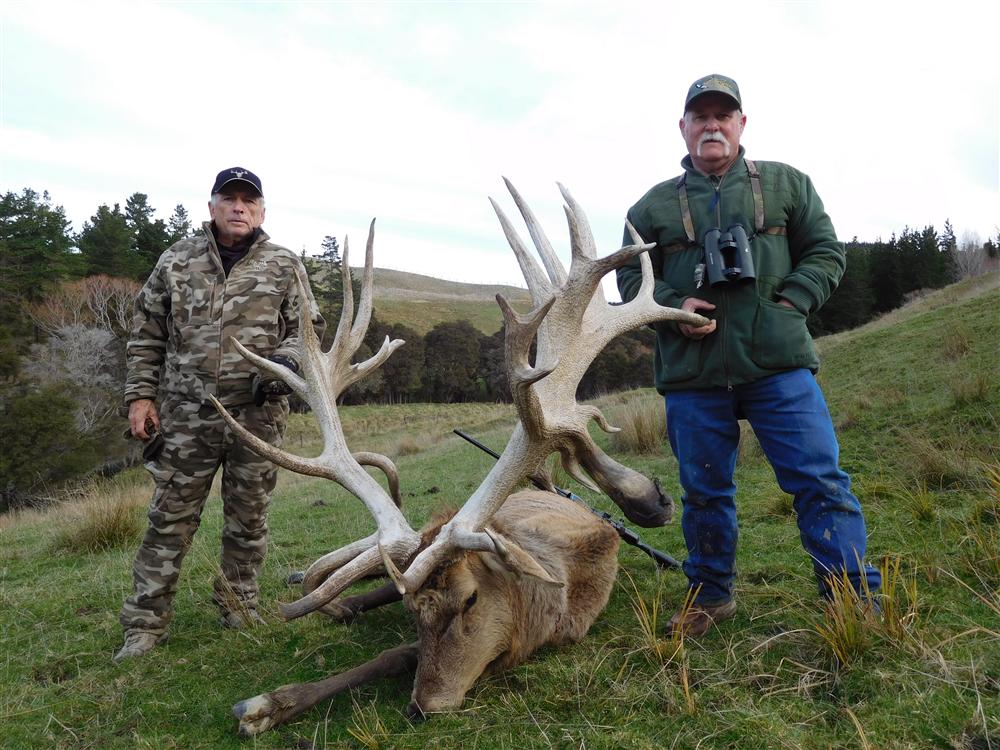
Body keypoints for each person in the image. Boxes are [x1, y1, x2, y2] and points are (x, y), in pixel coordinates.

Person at [616, 75, 880, 637]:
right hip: (693, 375)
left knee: (821, 482)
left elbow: (827, 252)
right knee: (704, 492)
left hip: (779, 365)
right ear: (683, 128)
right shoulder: (649, 208)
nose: (712, 125)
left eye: (723, 115)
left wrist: (790, 302)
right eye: (700, 116)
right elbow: (627, 282)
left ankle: (854, 601)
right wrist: (671, 306)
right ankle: (711, 597)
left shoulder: (788, 184)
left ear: (741, 124)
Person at [114, 167, 324, 662]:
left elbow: (307, 330)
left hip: (258, 417)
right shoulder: (177, 260)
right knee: (169, 519)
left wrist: (286, 364)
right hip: (187, 416)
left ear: (262, 211)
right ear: (211, 207)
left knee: (248, 520)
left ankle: (238, 605)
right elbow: (148, 333)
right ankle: (145, 624)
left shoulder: (284, 264)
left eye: (248, 201)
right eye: (229, 199)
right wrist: (140, 397)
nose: (238, 208)